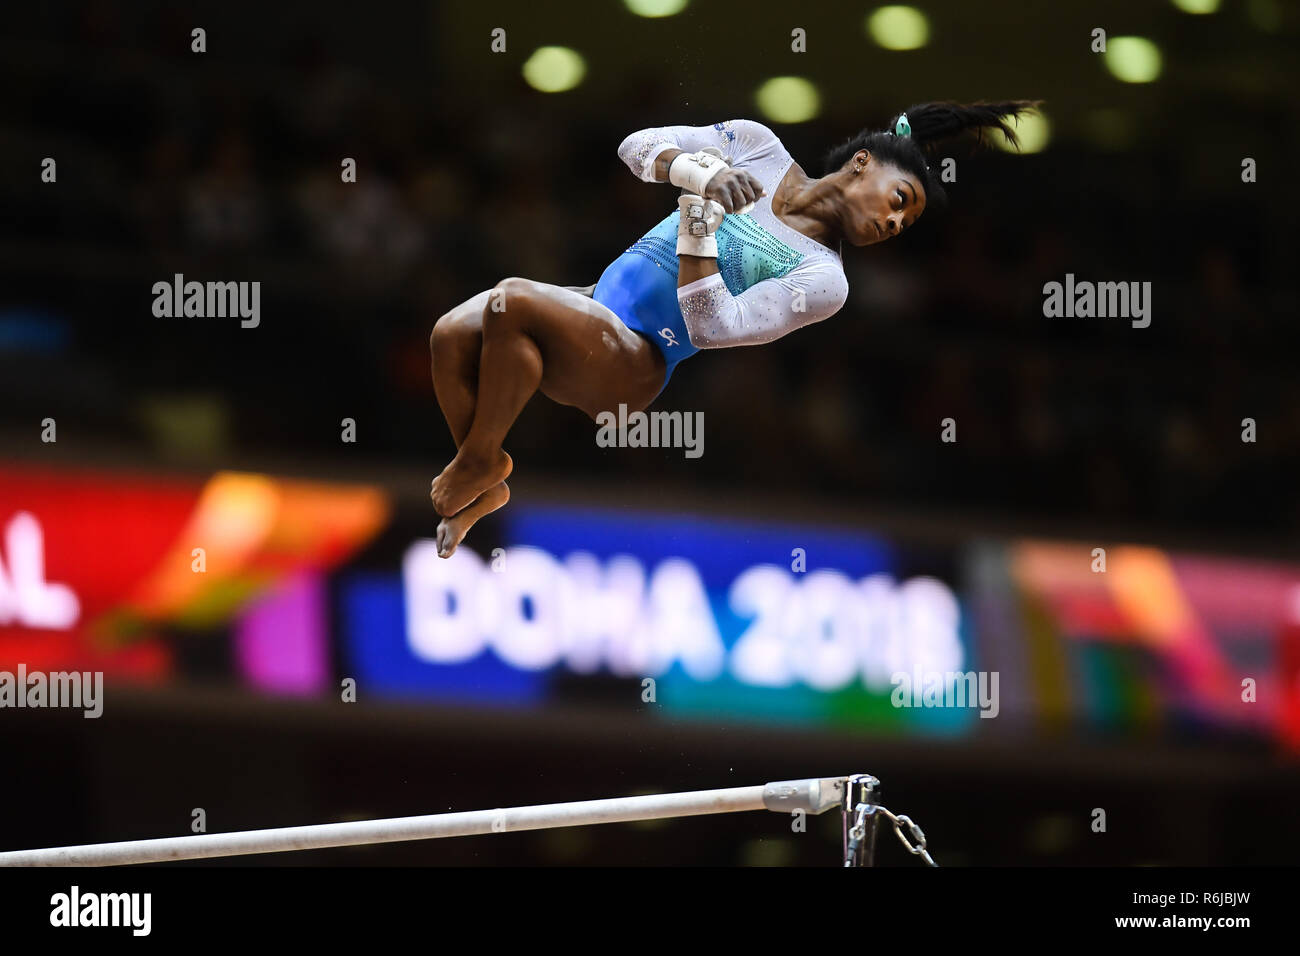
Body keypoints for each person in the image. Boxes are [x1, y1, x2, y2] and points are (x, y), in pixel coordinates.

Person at [428, 101, 1038, 557]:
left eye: (906, 223)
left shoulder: (824, 279)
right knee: (452, 337)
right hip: (589, 304)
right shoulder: (757, 146)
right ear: (862, 164)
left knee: (509, 302)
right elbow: (635, 148)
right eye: (900, 199)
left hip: (636, 357)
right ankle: (482, 476)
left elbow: (716, 326)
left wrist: (699, 228)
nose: (896, 222)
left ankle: (481, 462)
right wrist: (696, 171)